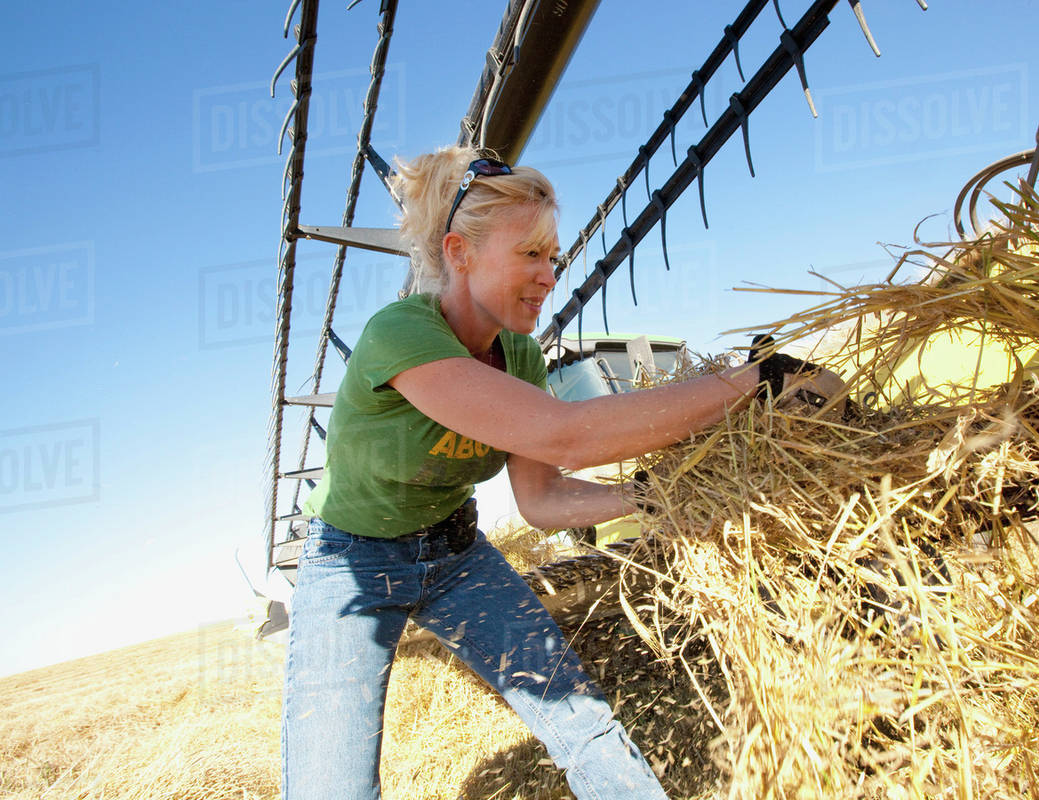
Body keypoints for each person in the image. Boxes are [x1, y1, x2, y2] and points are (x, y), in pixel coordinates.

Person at [281, 145, 843, 800]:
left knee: (583, 721)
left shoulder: (519, 355)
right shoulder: (400, 335)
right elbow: (564, 436)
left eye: (553, 257)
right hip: (351, 561)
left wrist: (651, 497)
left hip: (456, 553)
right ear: (459, 252)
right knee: (333, 787)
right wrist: (754, 382)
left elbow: (542, 498)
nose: (549, 275)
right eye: (530, 254)